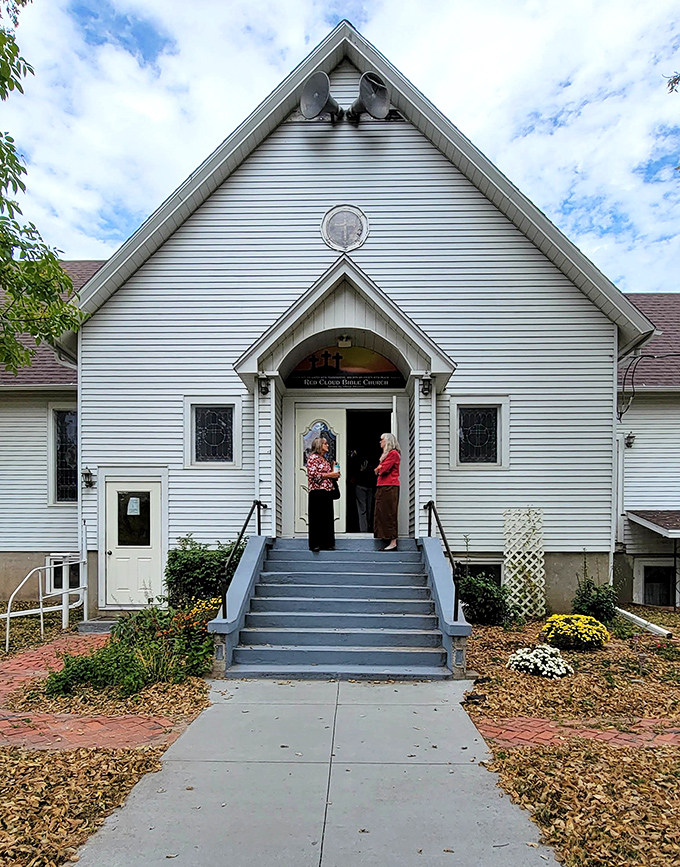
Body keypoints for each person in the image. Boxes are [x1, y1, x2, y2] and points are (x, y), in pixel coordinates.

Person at [306, 436, 340, 552]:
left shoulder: (325, 459)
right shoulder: (313, 458)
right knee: (316, 519)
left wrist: (334, 472)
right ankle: (315, 544)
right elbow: (313, 475)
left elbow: (328, 476)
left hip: (327, 491)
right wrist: (330, 475)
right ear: (320, 445)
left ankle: (328, 544)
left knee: (327, 518)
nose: (328, 446)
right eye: (326, 444)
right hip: (317, 491)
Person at [374, 432, 400, 550]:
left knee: (389, 512)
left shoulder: (393, 454)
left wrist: (379, 468)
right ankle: (386, 537)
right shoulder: (387, 455)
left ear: (388, 441)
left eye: (382, 440)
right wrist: (379, 468)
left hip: (389, 486)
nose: (380, 442)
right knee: (382, 512)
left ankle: (393, 541)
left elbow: (383, 470)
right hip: (383, 486)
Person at [354, 455, 376, 533]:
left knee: (368, 509)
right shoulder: (358, 460)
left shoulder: (374, 460)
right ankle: (364, 530)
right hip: (361, 485)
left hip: (369, 486)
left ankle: (367, 529)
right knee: (364, 509)